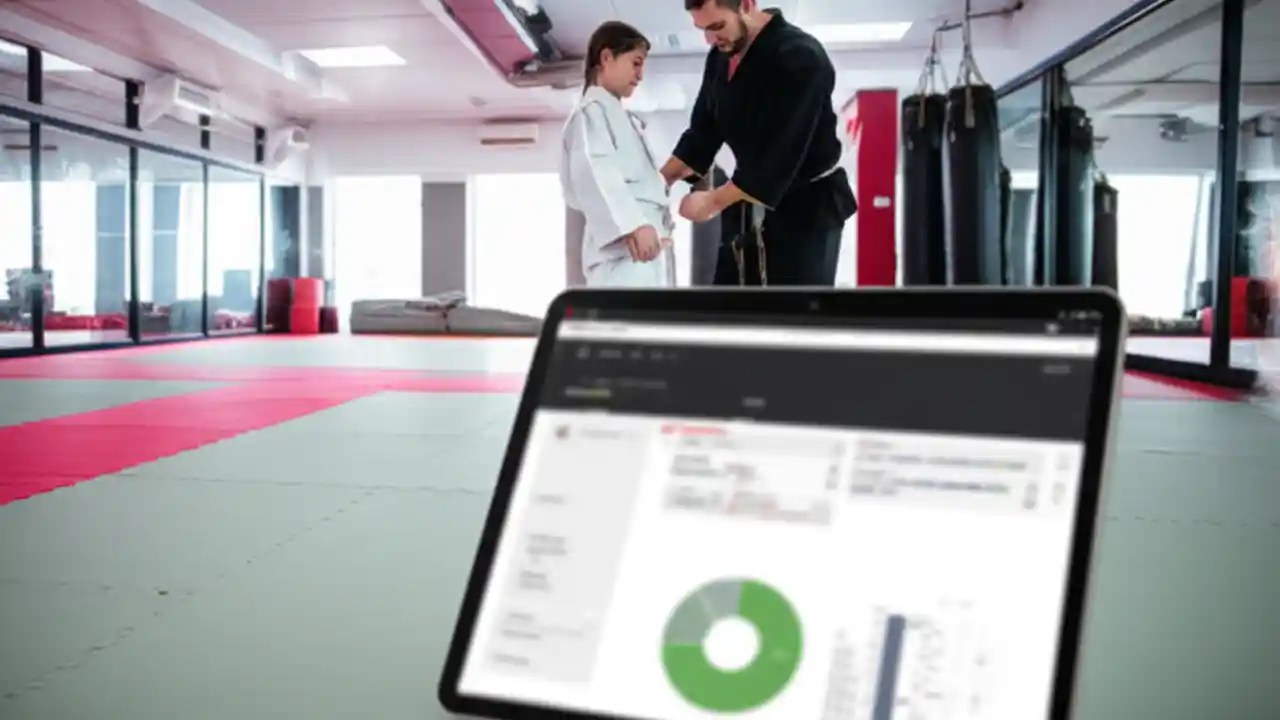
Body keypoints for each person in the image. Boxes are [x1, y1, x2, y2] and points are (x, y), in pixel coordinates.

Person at [662, 0, 857, 286]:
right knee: (732, 309)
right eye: (702, 29)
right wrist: (660, 181)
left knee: (791, 318)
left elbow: (777, 157)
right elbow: (702, 132)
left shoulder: (800, 56)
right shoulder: (721, 55)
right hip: (747, 199)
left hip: (806, 209)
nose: (710, 39)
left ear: (747, 4)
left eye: (717, 26)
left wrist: (712, 201)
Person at [560, 21, 676, 288]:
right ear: (606, 57)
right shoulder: (591, 112)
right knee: (628, 326)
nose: (641, 75)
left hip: (642, 248)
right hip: (623, 252)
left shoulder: (620, 117)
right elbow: (595, 173)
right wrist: (633, 225)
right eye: (636, 63)